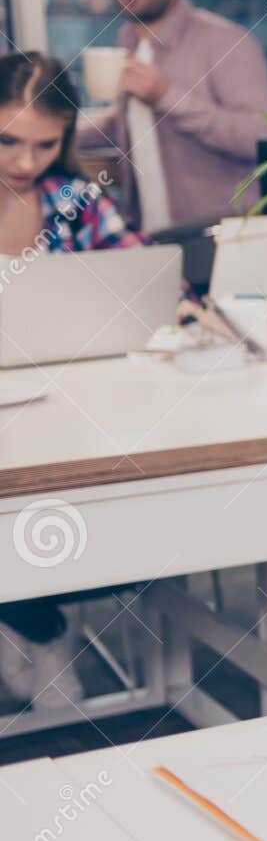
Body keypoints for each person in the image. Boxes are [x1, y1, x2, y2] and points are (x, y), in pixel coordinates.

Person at [0, 51, 146, 710]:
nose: (23, 162)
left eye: (42, 144)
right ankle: (41, 628)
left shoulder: (74, 201)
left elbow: (137, 275)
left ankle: (35, 623)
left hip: (70, 409)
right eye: (7, 139)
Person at [76, 0, 267, 232]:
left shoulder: (227, 42)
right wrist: (54, 132)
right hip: (150, 241)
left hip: (224, 242)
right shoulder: (128, 39)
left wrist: (168, 96)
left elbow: (262, 137)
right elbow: (133, 121)